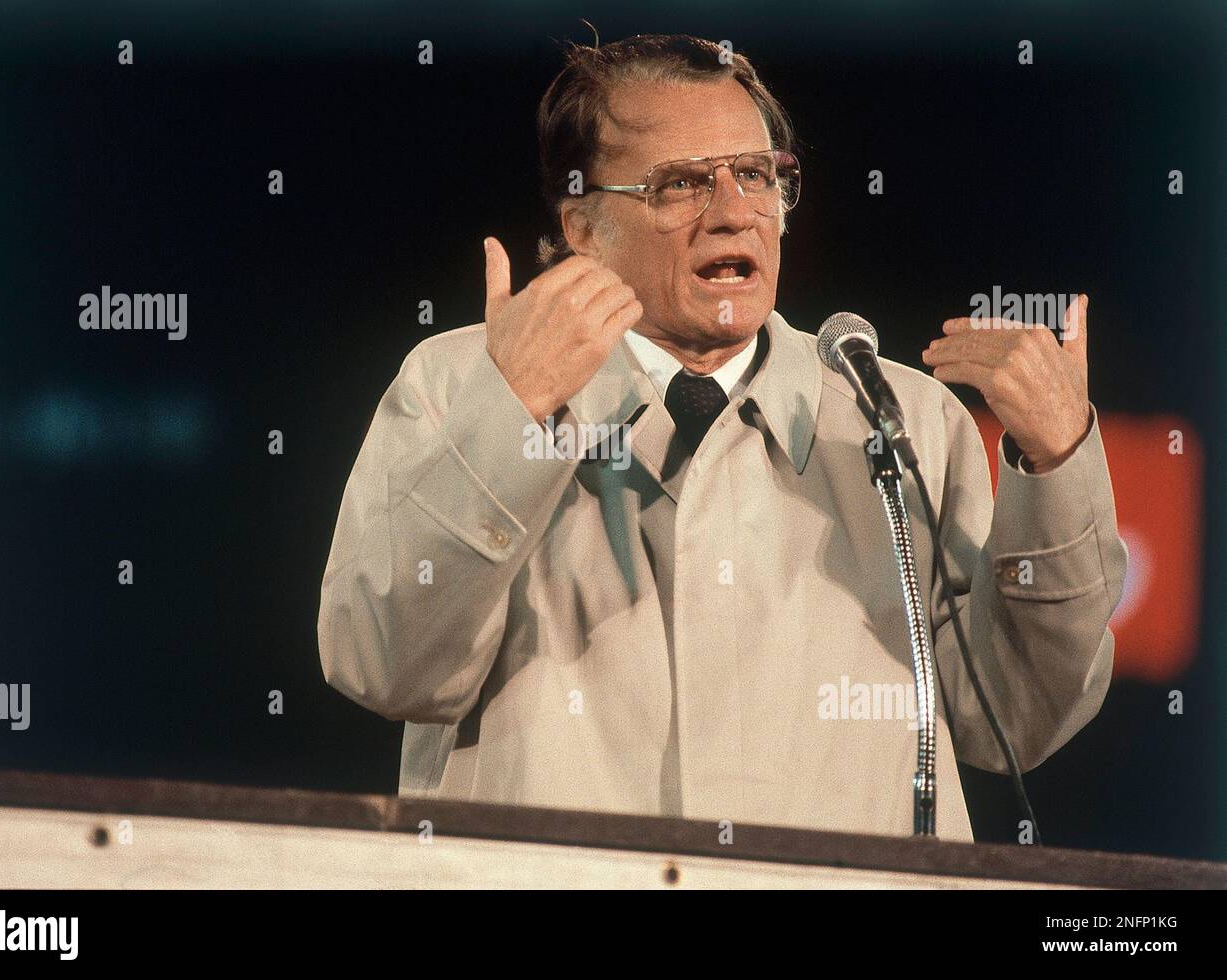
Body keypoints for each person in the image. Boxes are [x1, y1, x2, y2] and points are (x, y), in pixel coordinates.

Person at [317, 34, 1127, 840]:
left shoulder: (899, 418)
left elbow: (1014, 722)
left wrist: (1056, 467)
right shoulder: (462, 381)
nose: (735, 212)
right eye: (680, 185)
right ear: (584, 226)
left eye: (757, 175)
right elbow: (383, 664)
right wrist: (512, 414)